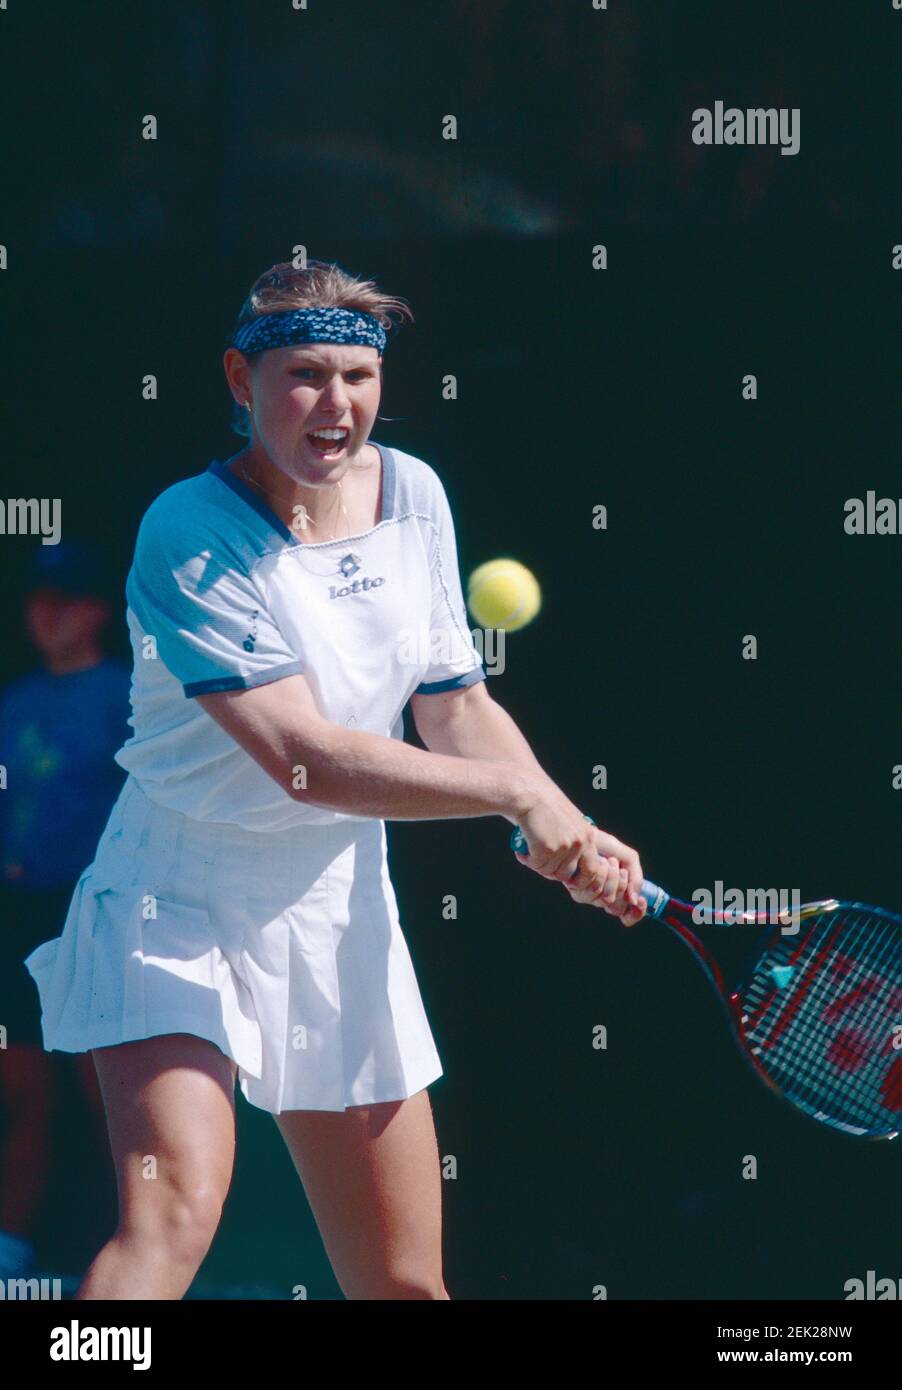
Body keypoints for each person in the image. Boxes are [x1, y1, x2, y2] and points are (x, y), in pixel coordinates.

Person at [25, 259, 647, 1301]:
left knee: (403, 1283)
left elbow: (453, 705)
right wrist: (517, 800)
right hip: (173, 903)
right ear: (240, 379)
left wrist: (566, 818)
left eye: (358, 375)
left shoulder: (415, 495)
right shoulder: (187, 529)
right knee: (172, 1211)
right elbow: (305, 759)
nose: (337, 403)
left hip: (338, 905)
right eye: (305, 374)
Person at [0, 541, 131, 1279]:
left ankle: (143, 1251)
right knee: (23, 1094)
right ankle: (10, 1253)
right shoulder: (13, 700)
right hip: (17, 916)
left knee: (112, 1094)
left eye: (67, 600)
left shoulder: (123, 695)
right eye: (38, 600)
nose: (48, 615)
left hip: (93, 918)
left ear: (98, 613)